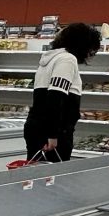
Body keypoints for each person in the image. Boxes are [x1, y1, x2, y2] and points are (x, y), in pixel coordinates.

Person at [25, 23, 98, 163]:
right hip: (53, 132)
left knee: (35, 175)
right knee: (52, 179)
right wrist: (53, 135)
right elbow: (55, 97)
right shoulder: (67, 59)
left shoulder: (49, 59)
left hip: (37, 125)